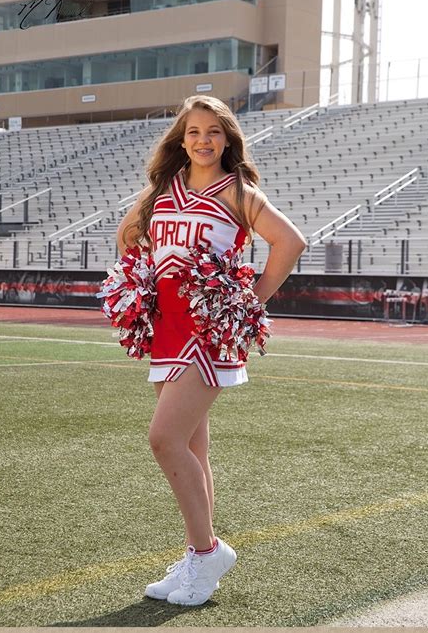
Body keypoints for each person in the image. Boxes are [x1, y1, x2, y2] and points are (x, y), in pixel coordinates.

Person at [116, 95, 307, 606]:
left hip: (207, 332)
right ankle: (199, 557)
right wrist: (142, 282)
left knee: (164, 440)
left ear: (228, 139)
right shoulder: (163, 190)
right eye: (194, 132)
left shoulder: (238, 193)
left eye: (214, 132)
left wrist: (245, 304)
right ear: (181, 139)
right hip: (167, 330)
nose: (203, 140)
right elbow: (127, 237)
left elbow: (289, 243)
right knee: (193, 449)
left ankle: (208, 551)